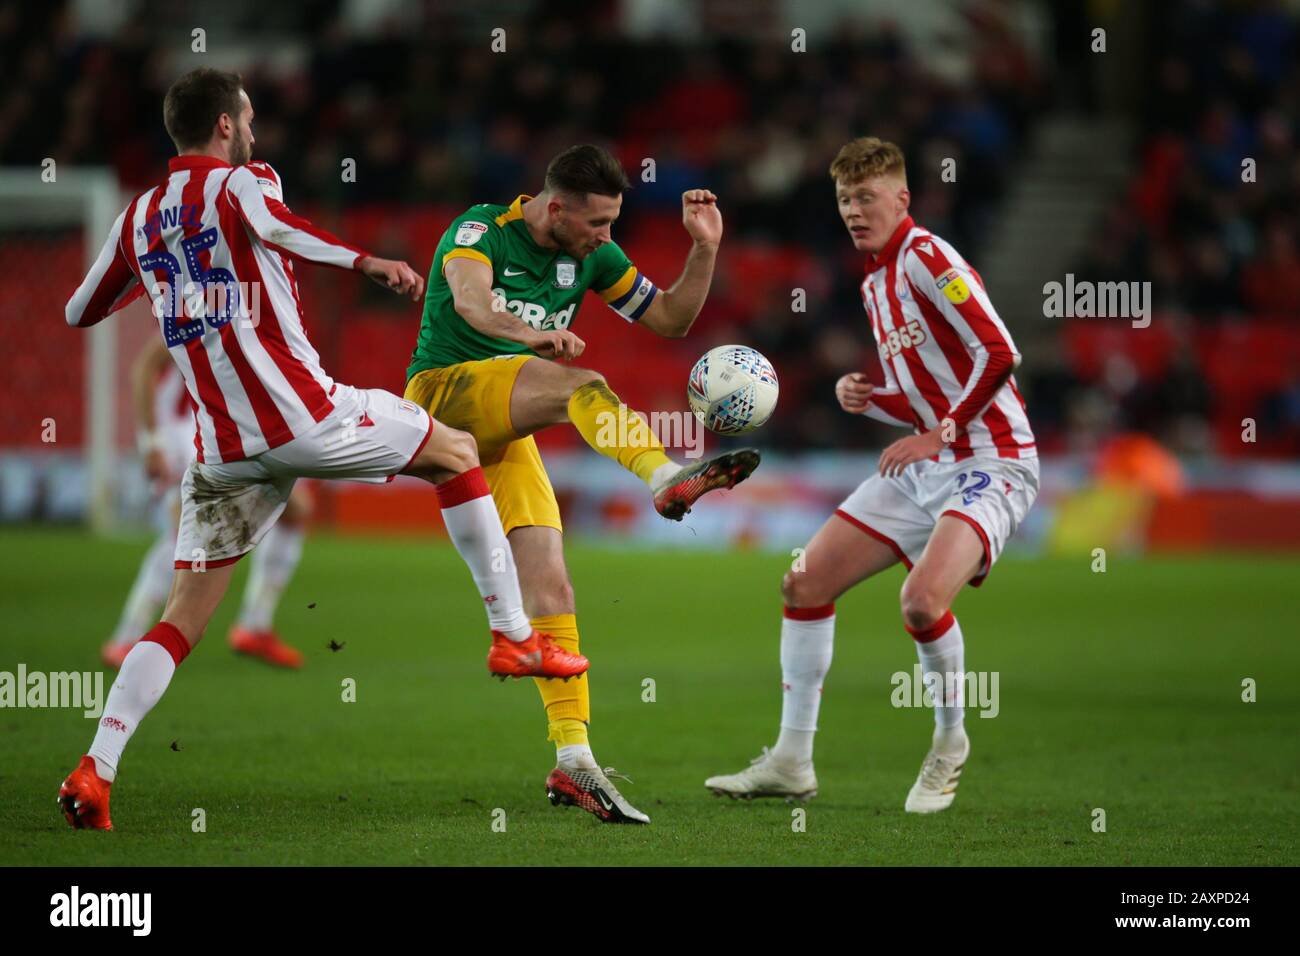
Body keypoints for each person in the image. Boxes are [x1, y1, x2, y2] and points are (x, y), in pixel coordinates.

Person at [58, 68, 585, 831]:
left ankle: (95, 769)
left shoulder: (137, 217)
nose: (254, 127)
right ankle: (511, 636)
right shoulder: (241, 184)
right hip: (304, 414)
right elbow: (280, 229)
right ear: (228, 127)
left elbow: (80, 309)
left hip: (224, 450)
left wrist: (169, 279)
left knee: (180, 620)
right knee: (457, 450)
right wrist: (364, 260)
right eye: (248, 117)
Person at [405, 144, 759, 823]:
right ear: (556, 206)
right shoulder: (479, 231)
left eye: (613, 223)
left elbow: (671, 321)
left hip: (504, 425)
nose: (607, 237)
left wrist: (704, 250)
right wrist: (528, 337)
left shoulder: (594, 256)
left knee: (553, 587)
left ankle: (575, 764)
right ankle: (663, 479)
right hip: (442, 398)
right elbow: (474, 307)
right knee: (584, 385)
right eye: (597, 223)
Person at [705, 137, 1038, 813]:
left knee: (920, 602)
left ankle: (950, 744)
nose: (855, 211)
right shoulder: (872, 282)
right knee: (803, 584)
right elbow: (924, 391)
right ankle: (792, 761)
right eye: (844, 200)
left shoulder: (927, 257)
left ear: (902, 198)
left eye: (867, 197)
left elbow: (1001, 351)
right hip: (929, 462)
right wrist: (871, 398)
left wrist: (938, 431)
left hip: (992, 459)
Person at [103, 337, 312, 670]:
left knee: (296, 510)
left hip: (222, 428)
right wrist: (152, 442)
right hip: (179, 432)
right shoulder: (201, 302)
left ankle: (255, 625)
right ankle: (126, 636)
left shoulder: (252, 311)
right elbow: (144, 367)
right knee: (185, 529)